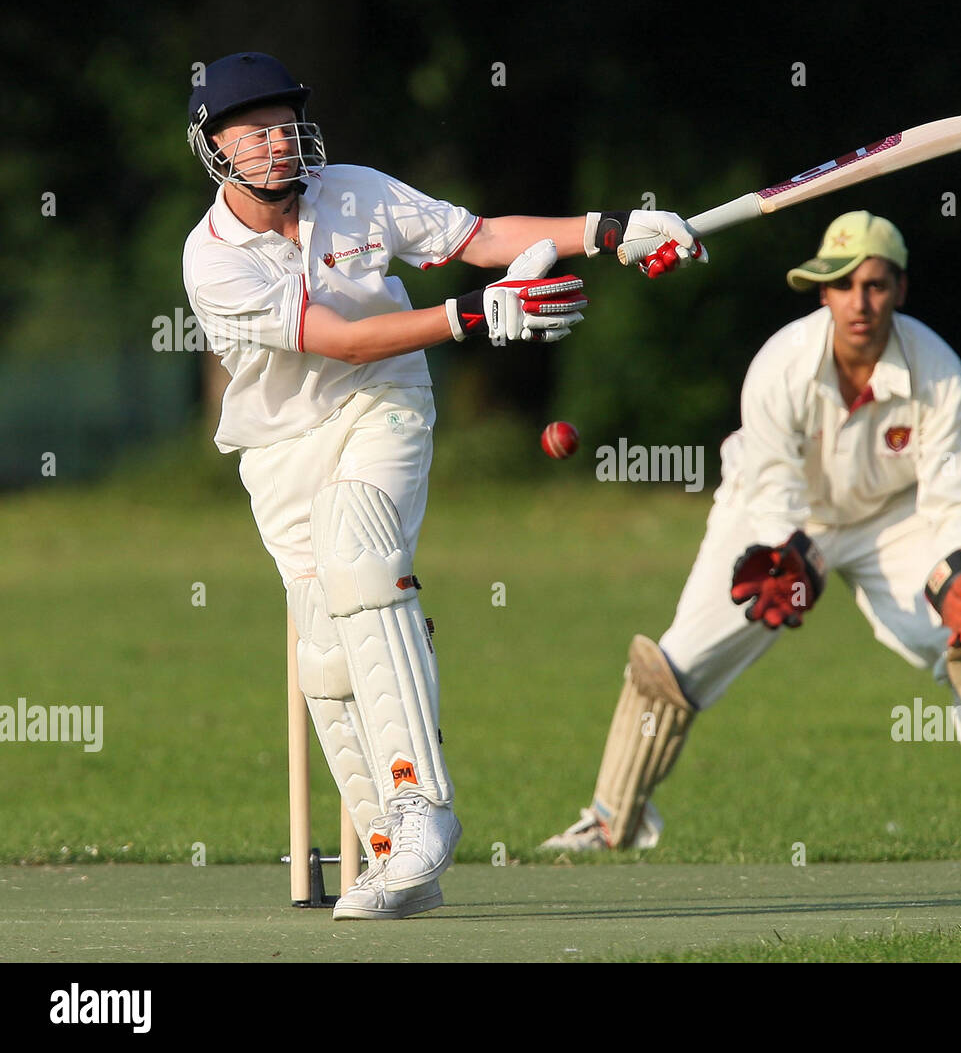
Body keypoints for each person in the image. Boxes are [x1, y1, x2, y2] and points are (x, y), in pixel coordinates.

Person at [182, 52, 703, 919]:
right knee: (325, 651)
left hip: (384, 404)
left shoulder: (351, 188)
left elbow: (480, 239)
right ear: (215, 146)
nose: (277, 141)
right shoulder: (211, 262)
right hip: (279, 450)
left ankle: (423, 807)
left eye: (283, 121)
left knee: (362, 554)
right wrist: (471, 313)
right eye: (254, 128)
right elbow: (336, 339)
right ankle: (392, 853)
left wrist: (614, 228)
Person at [540, 210, 961, 855]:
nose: (859, 302)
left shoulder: (939, 371)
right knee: (676, 662)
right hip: (771, 514)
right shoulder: (781, 363)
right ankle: (612, 818)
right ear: (823, 292)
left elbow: (953, 495)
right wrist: (789, 557)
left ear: (900, 290)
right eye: (843, 285)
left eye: (876, 285)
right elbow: (774, 485)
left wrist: (958, 573)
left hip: (890, 520)